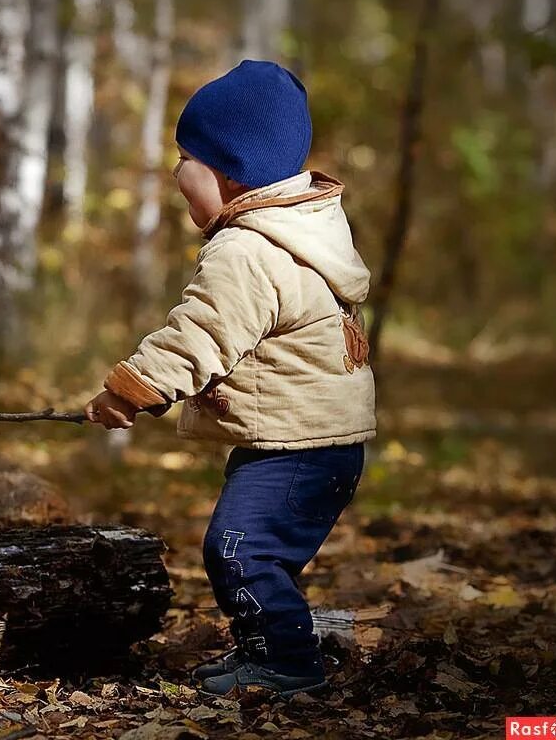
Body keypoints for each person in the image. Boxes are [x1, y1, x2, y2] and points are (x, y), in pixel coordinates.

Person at [84, 60, 376, 697]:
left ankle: (288, 664)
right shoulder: (298, 229)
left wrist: (131, 389)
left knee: (241, 549)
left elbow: (202, 333)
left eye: (185, 157)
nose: (174, 173)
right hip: (311, 441)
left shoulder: (249, 250)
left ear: (228, 170)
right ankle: (266, 649)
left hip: (303, 446)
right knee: (254, 550)